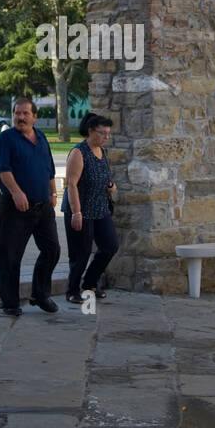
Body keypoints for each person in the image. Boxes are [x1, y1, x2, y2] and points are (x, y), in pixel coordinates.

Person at [0, 99, 61, 316]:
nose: (20, 117)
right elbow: (3, 169)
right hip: (14, 207)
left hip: (43, 207)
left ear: (35, 116)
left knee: (52, 250)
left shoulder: (41, 137)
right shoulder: (6, 139)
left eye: (25, 113)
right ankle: (10, 303)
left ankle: (40, 294)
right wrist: (16, 192)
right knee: (9, 256)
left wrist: (53, 192)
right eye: (17, 113)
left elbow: (49, 168)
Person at [61, 113, 119, 303]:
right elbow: (71, 184)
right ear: (90, 131)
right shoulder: (79, 152)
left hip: (100, 209)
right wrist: (76, 212)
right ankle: (72, 290)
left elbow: (103, 178)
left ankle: (90, 283)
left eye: (108, 134)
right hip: (80, 210)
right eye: (102, 133)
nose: (106, 137)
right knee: (81, 252)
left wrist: (111, 187)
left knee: (110, 246)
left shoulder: (103, 152)